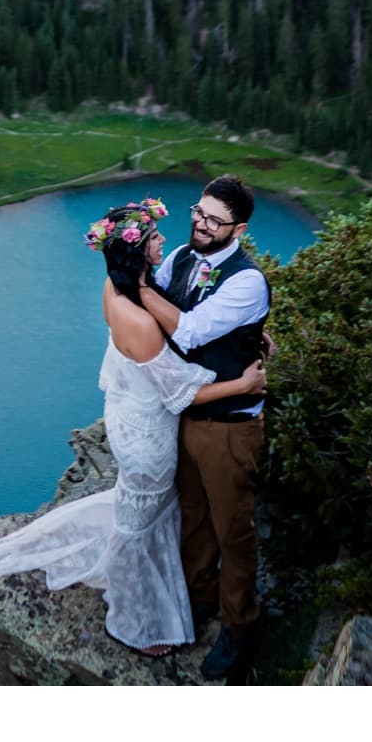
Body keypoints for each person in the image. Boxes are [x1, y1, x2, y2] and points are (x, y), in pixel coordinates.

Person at [0, 198, 267, 659]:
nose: (165, 240)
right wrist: (245, 381)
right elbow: (182, 393)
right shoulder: (140, 316)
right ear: (137, 252)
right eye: (155, 237)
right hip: (150, 432)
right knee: (139, 525)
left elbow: (183, 321)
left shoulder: (118, 291)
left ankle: (188, 600)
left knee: (147, 515)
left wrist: (245, 333)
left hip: (130, 415)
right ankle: (134, 620)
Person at [140, 175, 271, 680]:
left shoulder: (247, 280)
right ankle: (195, 605)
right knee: (192, 518)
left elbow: (190, 332)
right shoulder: (180, 257)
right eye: (198, 212)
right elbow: (168, 314)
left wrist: (135, 284)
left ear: (237, 228)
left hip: (229, 426)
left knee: (232, 529)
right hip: (184, 415)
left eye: (214, 220)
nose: (201, 224)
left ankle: (241, 627)